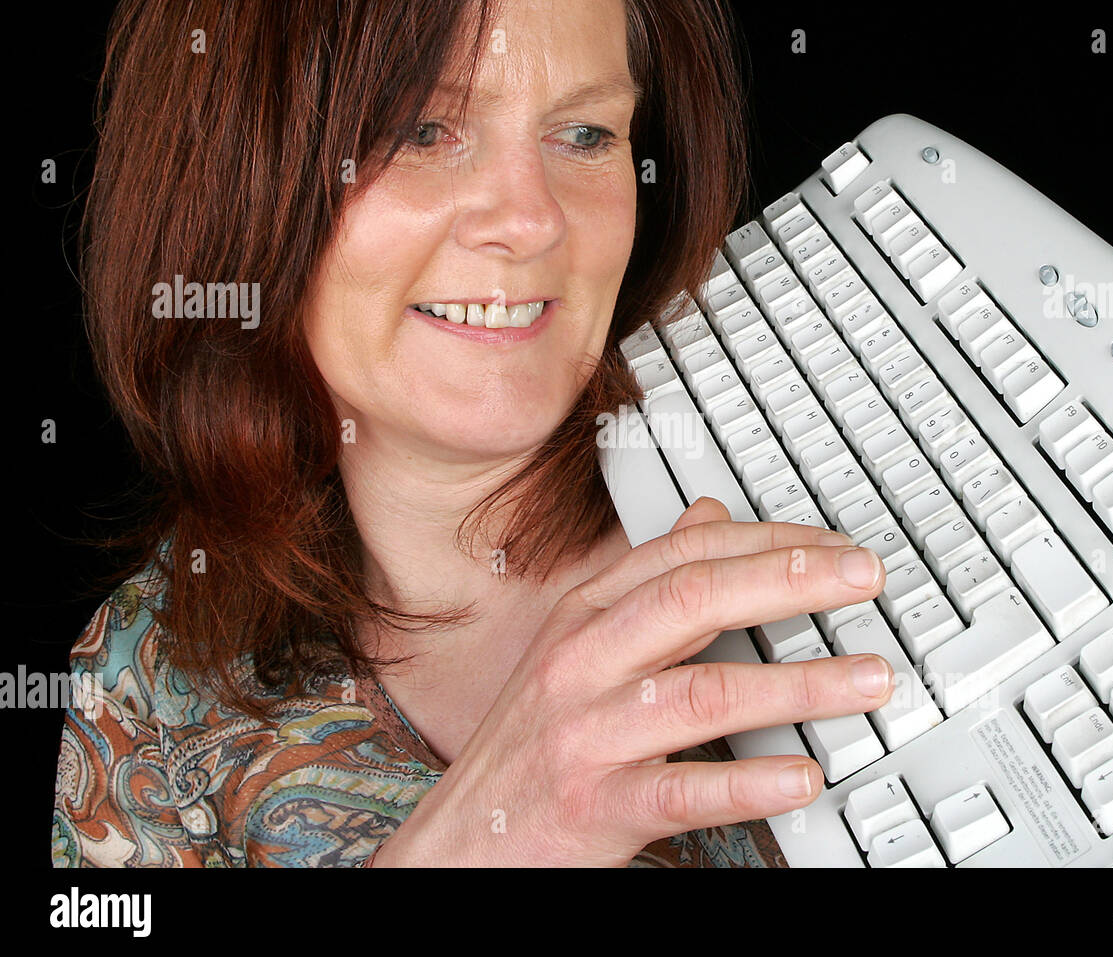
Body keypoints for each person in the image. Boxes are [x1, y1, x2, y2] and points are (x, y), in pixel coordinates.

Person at [52, 0, 893, 868]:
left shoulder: (817, 462)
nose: (531, 220)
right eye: (422, 131)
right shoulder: (144, 688)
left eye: (583, 134)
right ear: (233, 182)